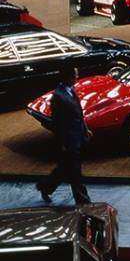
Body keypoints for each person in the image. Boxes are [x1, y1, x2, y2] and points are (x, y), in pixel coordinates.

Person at [36, 64, 91, 205]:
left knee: (65, 168)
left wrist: (85, 129)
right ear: (67, 77)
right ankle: (83, 201)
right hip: (70, 141)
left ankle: (45, 186)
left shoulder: (70, 91)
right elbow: (58, 124)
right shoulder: (58, 97)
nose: (77, 77)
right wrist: (63, 144)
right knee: (75, 172)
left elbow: (79, 112)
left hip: (78, 136)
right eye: (75, 75)